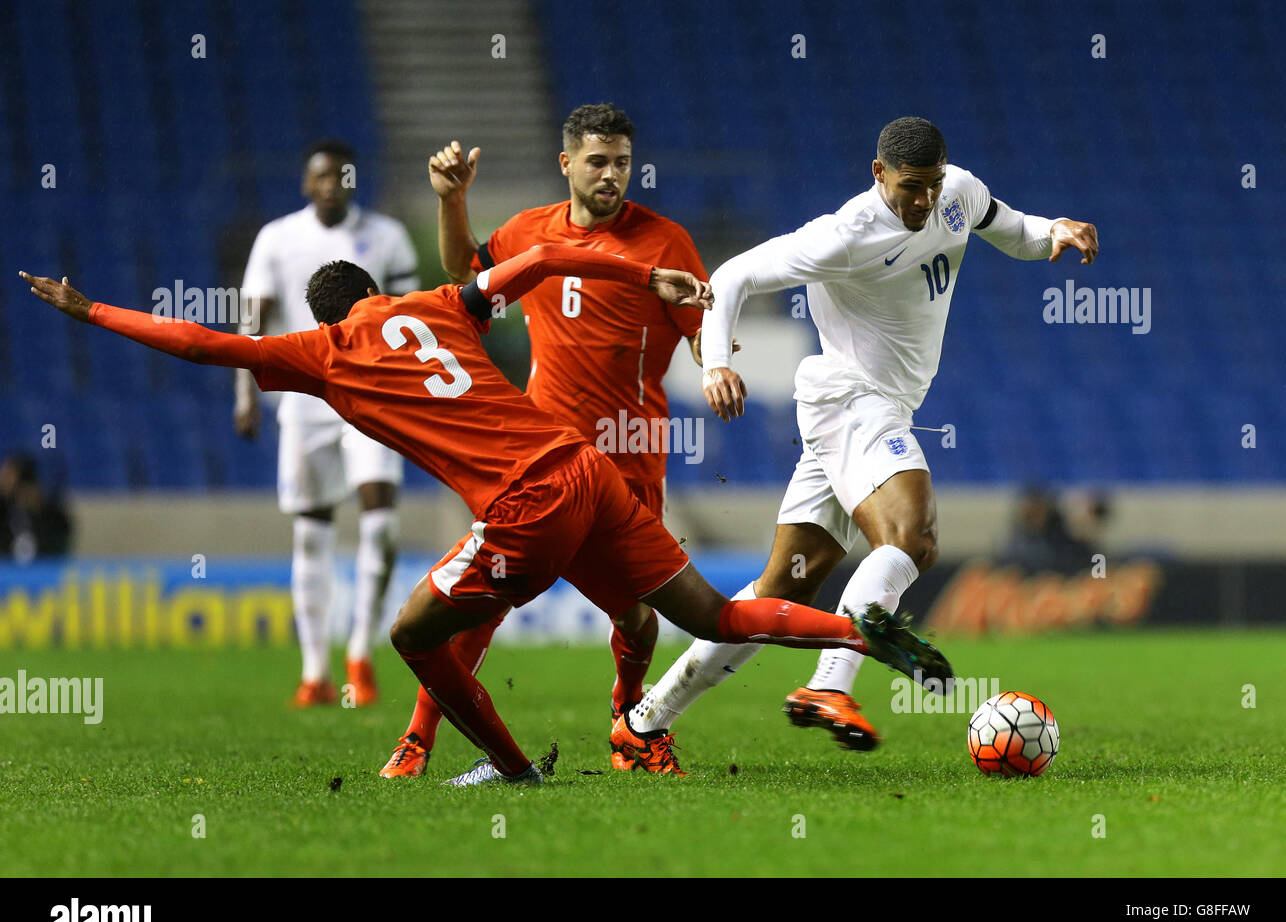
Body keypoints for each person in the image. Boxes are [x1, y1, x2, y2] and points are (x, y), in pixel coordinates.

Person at [20, 246, 950, 786]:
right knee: (707, 613)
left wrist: (89, 309)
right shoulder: (438, 304)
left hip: (525, 503)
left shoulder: (328, 348)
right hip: (588, 470)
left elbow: (204, 343)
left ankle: (513, 773)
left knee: (416, 629)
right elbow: (542, 259)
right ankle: (861, 637)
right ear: (380, 293)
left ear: (327, 314)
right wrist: (650, 278)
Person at [623, 116, 1098, 757]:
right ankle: (829, 684)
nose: (923, 200)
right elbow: (733, 274)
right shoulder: (845, 236)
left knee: (782, 590)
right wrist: (715, 364)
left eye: (931, 185)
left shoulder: (958, 192)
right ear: (879, 175)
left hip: (872, 412)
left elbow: (1008, 227)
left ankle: (644, 722)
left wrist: (1053, 232)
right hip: (850, 397)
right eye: (910, 187)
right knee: (914, 537)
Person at [381, 104, 714, 778]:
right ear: (567, 164)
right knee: (483, 604)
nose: (612, 175)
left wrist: (720, 363)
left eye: (621, 161)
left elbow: (698, 325)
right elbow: (462, 275)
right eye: (598, 161)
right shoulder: (530, 232)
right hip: (539, 464)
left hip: (629, 458)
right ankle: (416, 742)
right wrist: (453, 200)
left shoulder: (665, 241)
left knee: (636, 615)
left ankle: (630, 720)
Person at [236, 139, 420, 707]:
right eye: (320, 176)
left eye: (341, 176)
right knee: (311, 533)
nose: (331, 185)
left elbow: (411, 320)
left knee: (381, 522)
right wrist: (244, 391)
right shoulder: (277, 237)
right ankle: (315, 672)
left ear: (353, 180)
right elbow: (253, 318)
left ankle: (360, 654)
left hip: (370, 398)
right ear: (305, 182)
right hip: (305, 399)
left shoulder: (388, 236)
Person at [0, 453, 73, 562]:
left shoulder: (54, 515)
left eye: (8, 474)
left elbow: (59, 550)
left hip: (44, 573)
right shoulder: (4, 511)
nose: (3, 479)